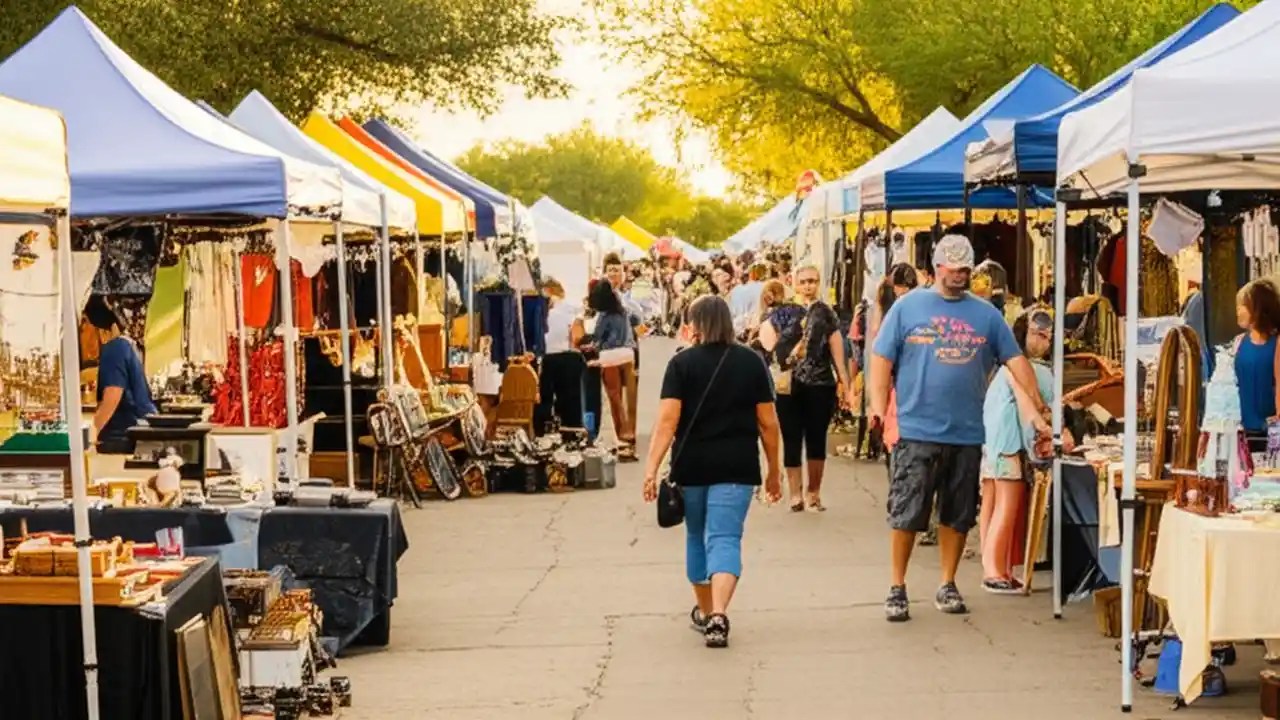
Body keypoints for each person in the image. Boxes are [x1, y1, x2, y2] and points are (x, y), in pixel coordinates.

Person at [868, 235, 1050, 621]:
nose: (960, 277)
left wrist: (1037, 404)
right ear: (936, 268)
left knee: (957, 513)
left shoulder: (986, 315)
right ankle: (897, 586)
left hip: (966, 432)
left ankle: (947, 582)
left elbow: (1015, 360)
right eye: (953, 271)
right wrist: (878, 408)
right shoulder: (907, 307)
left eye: (965, 270)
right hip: (917, 430)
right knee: (907, 512)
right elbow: (882, 358)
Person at [643, 295, 782, 648]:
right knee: (725, 538)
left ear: (695, 325)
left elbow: (667, 422)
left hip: (692, 467)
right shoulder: (751, 363)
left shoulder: (681, 364)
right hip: (737, 467)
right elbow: (768, 424)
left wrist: (651, 467)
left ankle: (707, 613)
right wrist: (774, 472)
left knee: (696, 536)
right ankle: (719, 613)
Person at [979, 308, 1065, 593]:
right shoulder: (1033, 370)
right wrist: (1048, 429)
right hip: (1008, 445)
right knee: (1007, 505)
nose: (1043, 341)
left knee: (992, 506)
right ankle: (994, 571)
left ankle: (997, 568)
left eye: (1046, 336)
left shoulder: (1006, 367)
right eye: (1037, 335)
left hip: (993, 443)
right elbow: (1034, 408)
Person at [760, 264, 849, 512]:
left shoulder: (826, 313)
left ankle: (814, 492)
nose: (808, 285)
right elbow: (767, 341)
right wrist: (778, 357)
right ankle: (795, 494)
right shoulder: (784, 312)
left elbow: (836, 347)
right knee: (791, 438)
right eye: (804, 281)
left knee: (816, 438)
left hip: (820, 383)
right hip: (788, 385)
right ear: (794, 283)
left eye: (812, 281)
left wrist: (844, 382)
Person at [86, 294, 157, 454]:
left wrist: (92, 433)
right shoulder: (128, 345)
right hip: (139, 432)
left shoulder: (113, 349)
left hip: (123, 437)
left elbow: (113, 394)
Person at [588, 279, 638, 460]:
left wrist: (594, 345)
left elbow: (598, 337)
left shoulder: (603, 315)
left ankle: (622, 438)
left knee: (615, 399)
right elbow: (637, 319)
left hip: (610, 356)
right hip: (628, 354)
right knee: (630, 401)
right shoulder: (623, 310)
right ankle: (631, 436)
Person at [1234, 278, 1280, 452]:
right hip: (1241, 431)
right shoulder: (1238, 343)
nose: (1238, 310)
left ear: (1258, 309)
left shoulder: (1277, 343)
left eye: (1243, 305)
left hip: (1270, 433)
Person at [535, 278, 586, 433]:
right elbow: (577, 336)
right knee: (572, 403)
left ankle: (542, 434)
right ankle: (571, 434)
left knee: (545, 400)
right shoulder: (573, 309)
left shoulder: (542, 309)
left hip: (548, 357)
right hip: (569, 357)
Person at [604, 253, 643, 451]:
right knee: (614, 395)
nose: (614, 274)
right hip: (609, 353)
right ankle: (621, 434)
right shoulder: (599, 298)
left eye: (617, 270)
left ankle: (631, 432)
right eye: (610, 270)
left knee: (631, 395)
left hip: (628, 351)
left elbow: (639, 321)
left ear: (623, 274)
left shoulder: (630, 300)